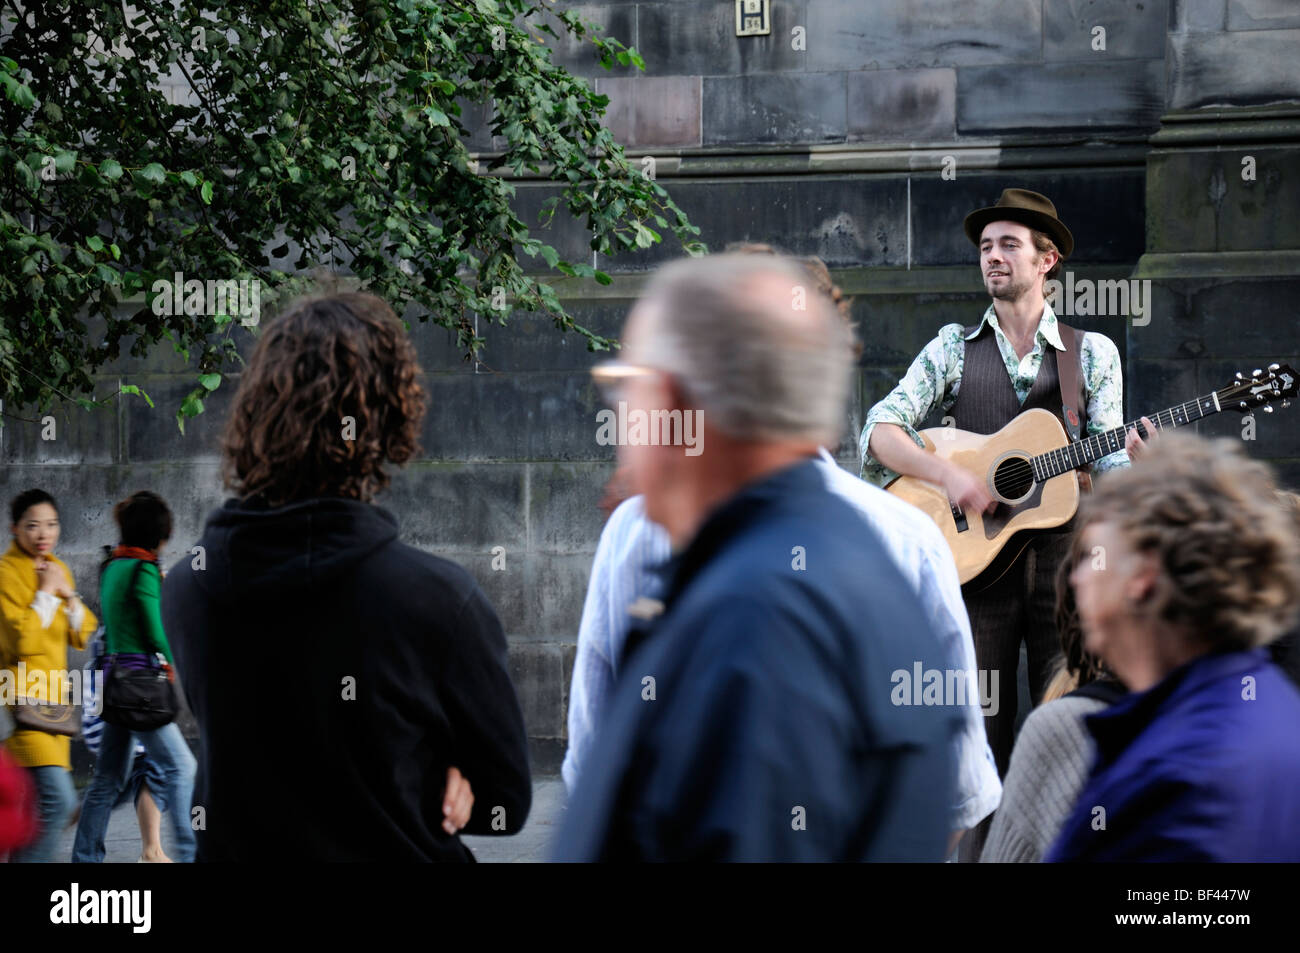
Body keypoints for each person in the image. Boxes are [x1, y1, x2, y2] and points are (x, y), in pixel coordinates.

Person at [563, 253, 1000, 855]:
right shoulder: (895, 542)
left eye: (624, 384)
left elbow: (594, 757)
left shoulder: (751, 612)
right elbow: (956, 792)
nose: (617, 415)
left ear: (670, 401)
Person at [162, 291, 531, 861]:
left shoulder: (187, 588)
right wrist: (454, 779)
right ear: (387, 419)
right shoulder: (440, 598)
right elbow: (507, 798)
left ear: (256, 411)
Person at [859, 188, 1152, 859]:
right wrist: (950, 475)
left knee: (1072, 719)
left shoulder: (1092, 353)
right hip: (978, 573)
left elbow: (1106, 463)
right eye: (986, 246)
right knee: (979, 737)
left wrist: (1140, 470)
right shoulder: (952, 350)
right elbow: (880, 428)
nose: (992, 256)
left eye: (1008, 244)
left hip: (1067, 569)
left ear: (1047, 259)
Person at [1047, 434, 1300, 862]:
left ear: (1143, 574)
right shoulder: (1264, 704)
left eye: (1095, 556)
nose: (1075, 578)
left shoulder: (1165, 773)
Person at [980, 532, 1125, 862]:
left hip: (1070, 543)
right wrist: (948, 476)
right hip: (980, 557)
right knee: (982, 753)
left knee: (1075, 732)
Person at [72, 491, 197, 863]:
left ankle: (84, 859)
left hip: (114, 686)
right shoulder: (143, 570)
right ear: (157, 534)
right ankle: (190, 853)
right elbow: (155, 629)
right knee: (182, 767)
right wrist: (174, 666)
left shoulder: (112, 566)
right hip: (141, 687)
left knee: (107, 781)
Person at [0, 489, 99, 862]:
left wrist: (66, 593)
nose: (44, 533)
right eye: (33, 525)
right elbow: (20, 640)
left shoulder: (56, 566)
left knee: (39, 807)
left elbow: (82, 631)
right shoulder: (6, 573)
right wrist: (45, 593)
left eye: (52, 524)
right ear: (14, 528)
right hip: (23, 703)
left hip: (54, 707)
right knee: (59, 801)